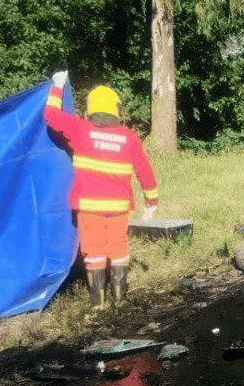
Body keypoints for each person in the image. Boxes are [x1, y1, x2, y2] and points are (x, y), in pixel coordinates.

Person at [43, 71, 158, 309]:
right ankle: (121, 300)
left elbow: (51, 115)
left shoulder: (80, 130)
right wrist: (152, 201)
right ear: (115, 110)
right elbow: (145, 171)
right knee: (118, 250)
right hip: (118, 208)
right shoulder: (129, 138)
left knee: (94, 252)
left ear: (91, 110)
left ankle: (98, 304)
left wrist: (57, 86)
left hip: (90, 208)